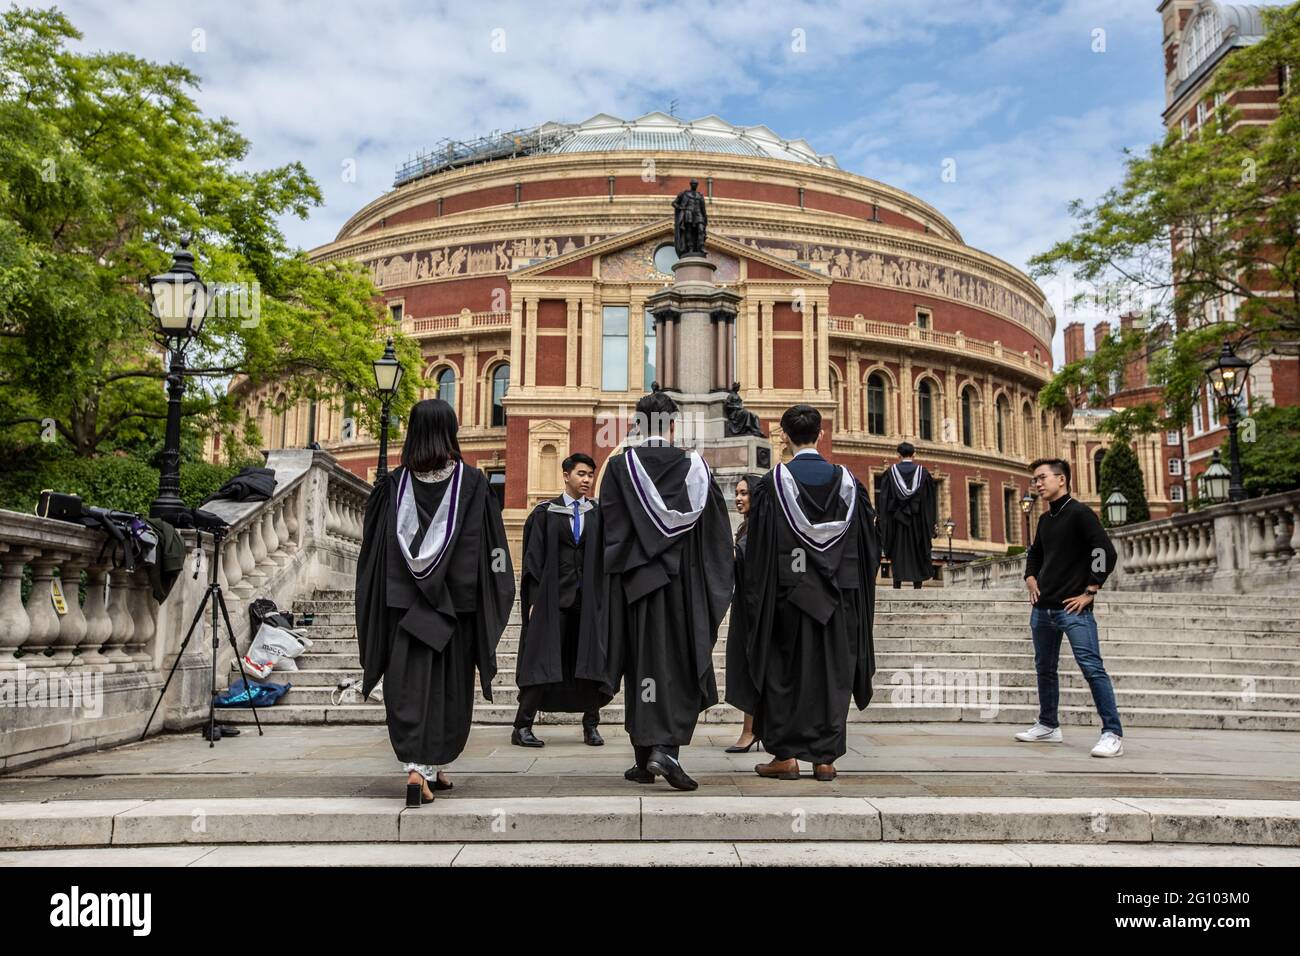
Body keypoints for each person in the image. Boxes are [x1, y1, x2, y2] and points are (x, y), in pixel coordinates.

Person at [354, 399, 516, 806]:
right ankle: (420, 770)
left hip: (403, 611)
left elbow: (371, 557)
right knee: (448, 689)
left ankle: (424, 766)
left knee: (408, 687)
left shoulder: (391, 486)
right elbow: (493, 554)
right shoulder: (475, 485)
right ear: (450, 431)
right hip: (453, 612)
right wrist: (491, 599)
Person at [584, 388, 733, 790]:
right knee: (678, 666)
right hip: (681, 590)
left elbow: (607, 535)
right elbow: (716, 540)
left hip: (635, 589)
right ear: (671, 425)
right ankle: (664, 751)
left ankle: (645, 753)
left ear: (637, 423)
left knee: (641, 667)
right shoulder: (696, 468)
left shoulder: (618, 469)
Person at [743, 405, 880, 782]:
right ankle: (825, 758)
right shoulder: (850, 482)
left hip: (790, 596)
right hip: (840, 599)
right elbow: (868, 547)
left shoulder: (773, 483)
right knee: (833, 672)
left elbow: (759, 552)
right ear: (821, 435)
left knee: (785, 672)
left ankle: (785, 757)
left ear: (783, 435)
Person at [1017, 458, 1124, 757]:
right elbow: (1035, 552)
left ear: (1061, 479)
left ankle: (1112, 733)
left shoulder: (1080, 513)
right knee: (1044, 669)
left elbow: (1105, 551)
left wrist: (1091, 589)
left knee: (1092, 668)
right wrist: (1029, 577)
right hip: (1043, 609)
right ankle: (1048, 725)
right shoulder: (1045, 519)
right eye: (1035, 480)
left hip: (1073, 610)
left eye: (1042, 478)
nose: (1037, 484)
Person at [512, 452, 611, 748]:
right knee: (541, 658)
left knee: (590, 660)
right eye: (581, 474)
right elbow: (533, 560)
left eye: (590, 475)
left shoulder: (598, 514)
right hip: (552, 599)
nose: (587, 480)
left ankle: (591, 725)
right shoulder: (545, 513)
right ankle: (522, 726)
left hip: (588, 599)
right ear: (566, 475)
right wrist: (532, 599)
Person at [723, 474, 764, 753]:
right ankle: (753, 728)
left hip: (756, 608)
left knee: (752, 664)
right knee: (746, 664)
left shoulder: (759, 528)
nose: (739, 498)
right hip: (746, 604)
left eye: (745, 493)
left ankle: (750, 731)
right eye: (737, 493)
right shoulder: (746, 527)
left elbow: (742, 558)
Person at [876, 441, 937, 588]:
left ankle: (897, 584)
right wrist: (930, 524)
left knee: (899, 551)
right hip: (918, 523)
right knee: (918, 551)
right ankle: (917, 585)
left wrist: (883, 522)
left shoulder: (890, 474)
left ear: (898, 455)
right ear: (914, 454)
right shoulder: (924, 474)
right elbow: (929, 503)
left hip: (897, 522)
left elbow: (883, 502)